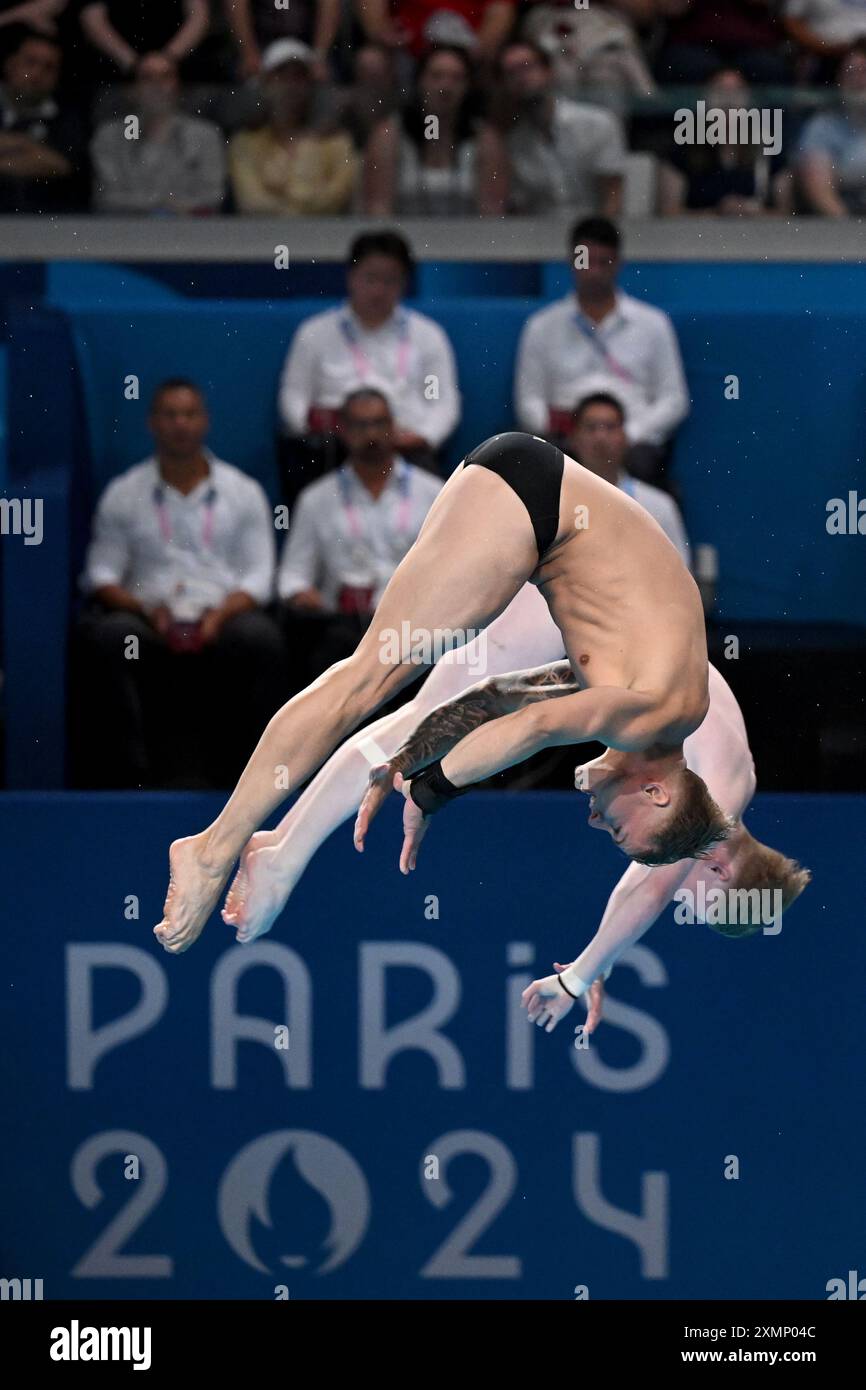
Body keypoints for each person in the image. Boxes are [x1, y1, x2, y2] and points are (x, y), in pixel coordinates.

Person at [153, 428, 729, 954]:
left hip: (530, 493)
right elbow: (531, 728)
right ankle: (212, 849)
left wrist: (410, 757)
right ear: (657, 793)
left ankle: (264, 846)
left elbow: (499, 699)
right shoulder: (652, 719)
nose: (597, 822)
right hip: (530, 506)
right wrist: (430, 793)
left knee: (379, 685)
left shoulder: (663, 704)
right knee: (365, 681)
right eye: (620, 828)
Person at [75, 379, 283, 789]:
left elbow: (260, 577)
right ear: (153, 422)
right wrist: (147, 611)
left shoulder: (242, 492)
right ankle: (128, 780)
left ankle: (251, 781)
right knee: (110, 637)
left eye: (189, 414)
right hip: (149, 622)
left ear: (204, 421)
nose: (180, 424)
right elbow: (101, 574)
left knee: (261, 640)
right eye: (169, 414)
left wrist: (220, 615)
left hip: (221, 620)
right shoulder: (124, 493)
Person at [277, 388, 443, 683]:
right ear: (342, 430)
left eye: (379, 423)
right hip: (342, 624)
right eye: (359, 425)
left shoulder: (433, 492)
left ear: (394, 426)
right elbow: (292, 574)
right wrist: (302, 594)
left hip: (415, 623)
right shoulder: (316, 498)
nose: (371, 434)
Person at [514, 216, 690, 483]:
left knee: (646, 465)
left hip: (631, 441)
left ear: (618, 262)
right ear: (571, 261)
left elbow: (673, 400)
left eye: (603, 262)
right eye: (585, 261)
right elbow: (529, 400)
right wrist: (572, 436)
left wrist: (626, 434)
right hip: (565, 440)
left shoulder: (653, 325)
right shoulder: (542, 326)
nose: (594, 272)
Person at [278, 229, 460, 480]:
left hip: (405, 448)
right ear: (351, 277)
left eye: (390, 280)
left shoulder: (428, 335)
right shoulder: (314, 333)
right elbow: (293, 399)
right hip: (336, 447)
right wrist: (323, 429)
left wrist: (424, 437)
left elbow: (444, 403)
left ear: (404, 283)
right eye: (370, 278)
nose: (379, 290)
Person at [362, 43, 507, 215]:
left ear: (467, 87)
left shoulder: (485, 139)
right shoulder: (388, 136)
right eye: (436, 76)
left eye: (456, 78)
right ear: (419, 82)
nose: (445, 87)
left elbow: (492, 212)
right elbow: (378, 208)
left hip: (469, 239)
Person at [491, 40, 627, 215]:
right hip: (537, 237)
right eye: (511, 73)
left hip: (592, 232)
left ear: (548, 71)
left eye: (527, 67)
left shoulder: (598, 123)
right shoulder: (511, 141)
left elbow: (612, 198)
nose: (520, 77)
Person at [228, 38, 357, 214]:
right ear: (264, 85)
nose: (290, 86)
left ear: (311, 86)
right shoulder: (244, 143)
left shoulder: (338, 143)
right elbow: (251, 203)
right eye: (281, 76)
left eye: (299, 77)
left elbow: (336, 200)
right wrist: (303, 201)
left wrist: (286, 193)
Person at [91, 52, 225, 214]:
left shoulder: (205, 134)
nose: (157, 84)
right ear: (132, 91)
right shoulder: (111, 136)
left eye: (166, 76)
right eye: (147, 77)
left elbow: (213, 196)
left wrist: (153, 205)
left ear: (179, 87)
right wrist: (165, 204)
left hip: (189, 232)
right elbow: (107, 197)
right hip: (126, 232)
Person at [567, 392, 691, 567]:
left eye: (610, 427)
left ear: (625, 437)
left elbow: (680, 576)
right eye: (591, 427)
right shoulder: (552, 503)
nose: (601, 437)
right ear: (573, 439)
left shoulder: (658, 506)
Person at [661, 67, 791, 217]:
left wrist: (752, 212)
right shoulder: (682, 149)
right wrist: (715, 213)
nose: (728, 100)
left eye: (736, 92)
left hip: (757, 236)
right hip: (697, 236)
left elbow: (787, 214)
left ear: (749, 100)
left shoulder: (769, 148)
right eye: (719, 92)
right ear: (704, 99)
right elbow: (668, 214)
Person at [0, 28, 85, 213]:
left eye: (49, 67)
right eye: (30, 63)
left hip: (46, 224)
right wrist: (29, 146)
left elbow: (61, 165)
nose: (38, 74)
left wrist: (12, 144)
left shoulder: (68, 117)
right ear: (10, 64)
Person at [797, 42, 866, 216]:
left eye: (864, 72)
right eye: (851, 73)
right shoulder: (822, 126)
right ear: (839, 81)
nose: (859, 81)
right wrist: (850, 234)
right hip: (844, 223)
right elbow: (820, 190)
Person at [79, 0, 211, 80]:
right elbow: (92, 19)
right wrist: (133, 63)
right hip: (117, 70)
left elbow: (199, 16)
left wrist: (167, 59)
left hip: (177, 67)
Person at [224, 0, 340, 81]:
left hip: (307, 43)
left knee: (325, 77)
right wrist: (248, 53)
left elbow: (330, 4)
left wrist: (319, 55)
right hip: (261, 44)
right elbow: (236, 4)